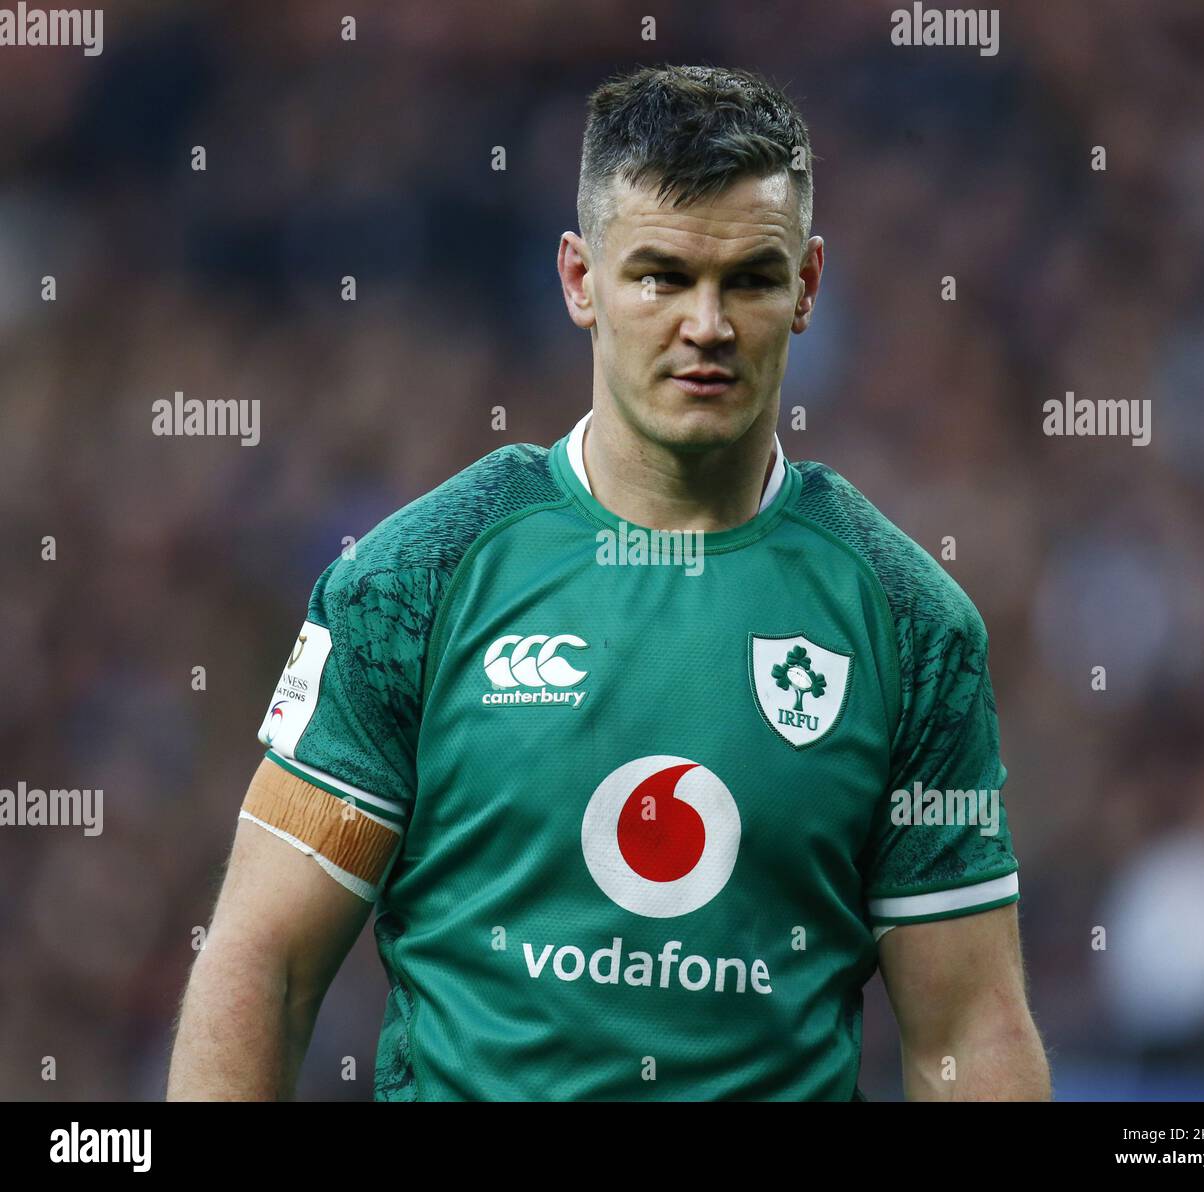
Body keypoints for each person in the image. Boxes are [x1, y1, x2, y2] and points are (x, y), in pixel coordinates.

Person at [167, 63, 1050, 1101]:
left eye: (751, 281)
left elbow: (969, 1031)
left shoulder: (909, 624)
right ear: (581, 281)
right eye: (662, 276)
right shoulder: (415, 581)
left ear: (807, 288)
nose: (707, 324)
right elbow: (261, 965)